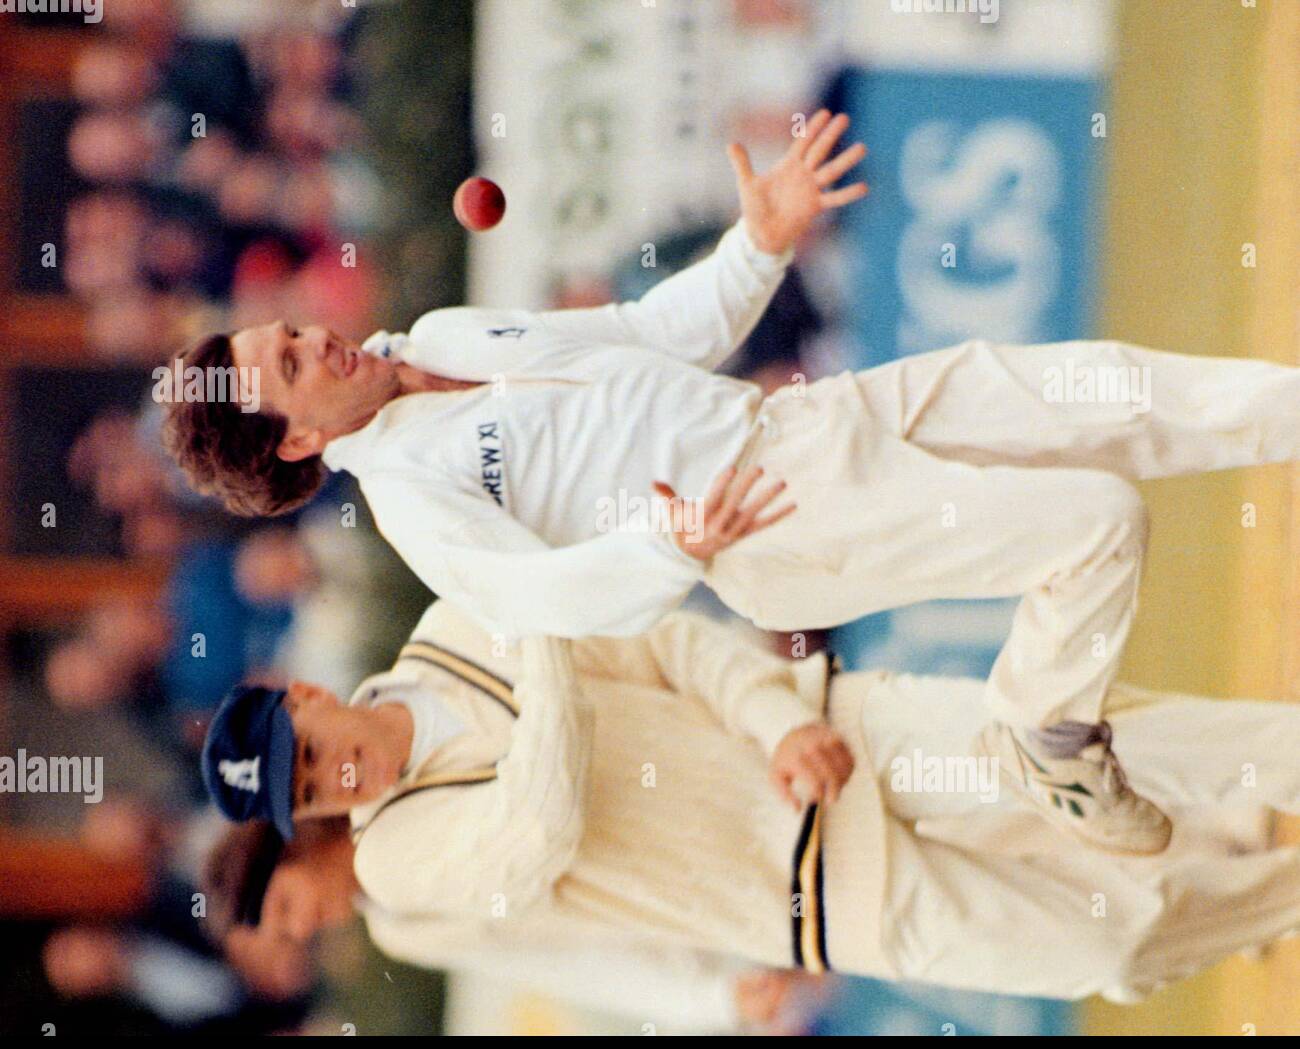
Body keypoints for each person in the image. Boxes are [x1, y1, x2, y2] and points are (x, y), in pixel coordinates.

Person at [164, 107, 1300, 854]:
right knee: (1095, 521)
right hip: (777, 527)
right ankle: (1042, 733)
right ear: (300, 444)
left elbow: (654, 333)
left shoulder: (445, 328)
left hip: (803, 421)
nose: (315, 341)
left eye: (291, 332)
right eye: (290, 368)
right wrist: (669, 550)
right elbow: (535, 603)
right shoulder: (412, 498)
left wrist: (758, 242)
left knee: (1103, 389)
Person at [201, 601, 1300, 1001]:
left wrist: (780, 724)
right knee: (1110, 949)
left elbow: (673, 645)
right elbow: (541, 823)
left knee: (1095, 747)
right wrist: (538, 617)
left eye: (310, 753)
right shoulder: (396, 861)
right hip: (814, 895)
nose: (332, 778)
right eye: (308, 795)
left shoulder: (455, 625)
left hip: (839, 733)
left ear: (304, 693)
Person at [202, 818, 808, 1033]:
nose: (303, 927)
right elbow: (562, 964)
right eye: (287, 932)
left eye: (286, 907)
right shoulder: (399, 929)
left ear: (297, 845)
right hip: (693, 912)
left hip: (690, 819)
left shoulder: (388, 795)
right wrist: (714, 999)